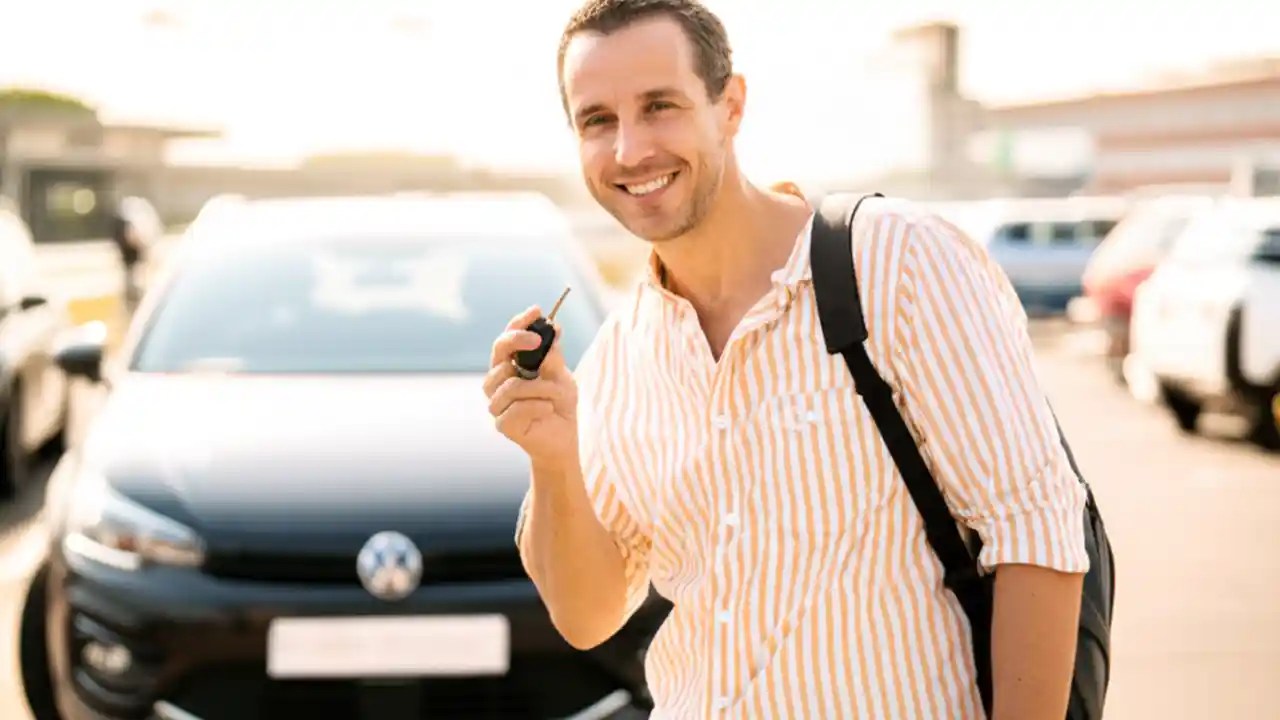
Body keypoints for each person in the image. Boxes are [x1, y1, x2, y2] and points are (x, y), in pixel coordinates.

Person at [483, 1, 1089, 717]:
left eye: (660, 106)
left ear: (730, 105)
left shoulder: (897, 261)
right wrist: (554, 460)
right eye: (598, 121)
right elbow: (588, 616)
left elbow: (1035, 529)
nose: (629, 150)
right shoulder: (619, 356)